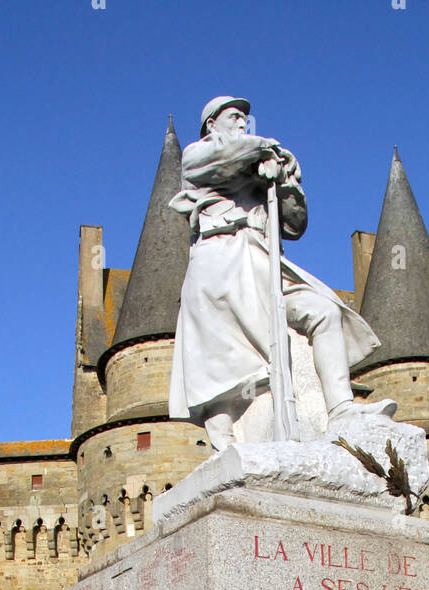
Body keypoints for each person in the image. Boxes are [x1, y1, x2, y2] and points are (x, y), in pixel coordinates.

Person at [168, 96, 395, 450]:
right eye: (234, 116)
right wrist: (268, 152)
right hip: (221, 260)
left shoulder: (261, 166)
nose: (243, 122)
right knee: (223, 360)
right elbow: (225, 162)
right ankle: (225, 443)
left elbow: (294, 224)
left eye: (245, 117)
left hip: (264, 258)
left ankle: (340, 408)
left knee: (323, 311)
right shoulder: (199, 155)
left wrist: (287, 181)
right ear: (211, 124)